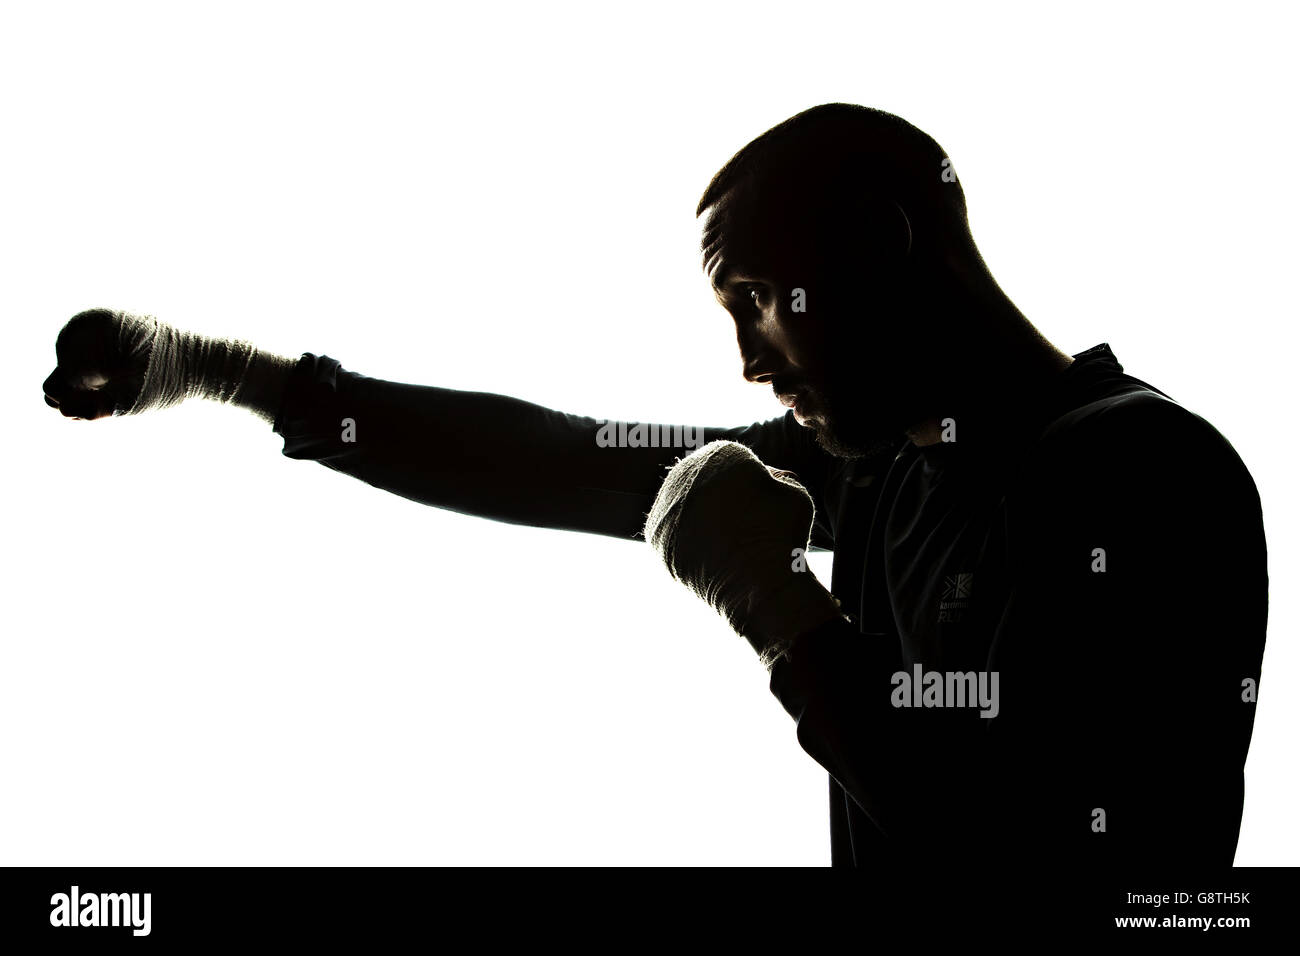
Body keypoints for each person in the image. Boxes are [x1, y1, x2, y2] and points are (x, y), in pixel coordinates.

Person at [42, 103, 1268, 868]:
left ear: (883, 244)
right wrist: (223, 370)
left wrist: (785, 617)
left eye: (753, 298)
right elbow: (567, 456)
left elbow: (1063, 858)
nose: (744, 357)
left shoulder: (1143, 473)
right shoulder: (896, 467)